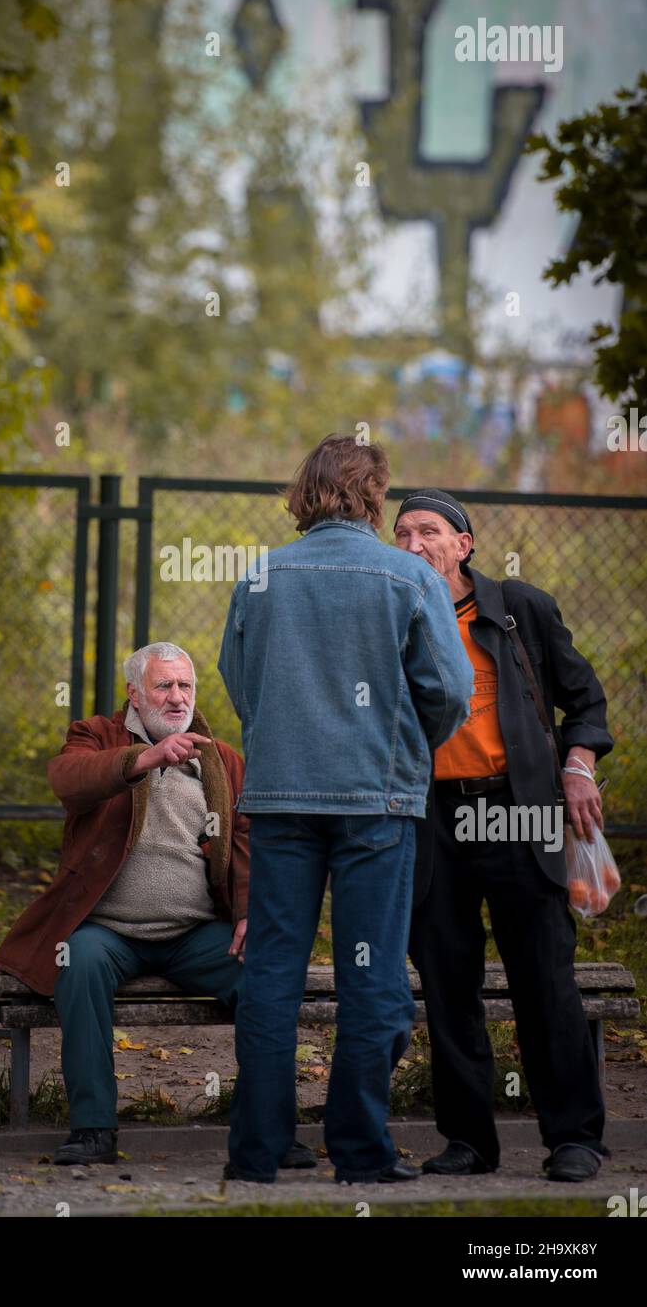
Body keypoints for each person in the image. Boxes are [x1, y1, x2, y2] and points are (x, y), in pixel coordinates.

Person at [217, 436, 474, 1184]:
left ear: (305, 491)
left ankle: (257, 1152)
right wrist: (400, 744)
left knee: (270, 972)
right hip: (377, 800)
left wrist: (282, 737)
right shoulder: (407, 578)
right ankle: (359, 1150)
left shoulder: (260, 576)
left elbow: (239, 682)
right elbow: (450, 692)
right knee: (373, 978)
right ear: (372, 495)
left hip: (280, 796)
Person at [0, 643, 322, 1168]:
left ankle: (269, 1130)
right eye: (163, 686)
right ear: (134, 694)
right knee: (74, 961)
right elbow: (67, 779)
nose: (176, 697)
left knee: (265, 969)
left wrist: (246, 911)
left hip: (193, 934)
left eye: (185, 686)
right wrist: (142, 758)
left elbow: (245, 839)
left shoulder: (220, 759)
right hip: (107, 932)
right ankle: (94, 1128)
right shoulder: (94, 736)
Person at [394, 489, 613, 1183]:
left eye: (428, 530)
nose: (412, 543)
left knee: (544, 978)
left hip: (519, 813)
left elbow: (585, 702)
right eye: (399, 533)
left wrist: (577, 769)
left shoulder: (520, 608)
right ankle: (467, 1142)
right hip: (433, 819)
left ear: (463, 543)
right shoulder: (391, 619)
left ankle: (574, 1138)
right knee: (447, 985)